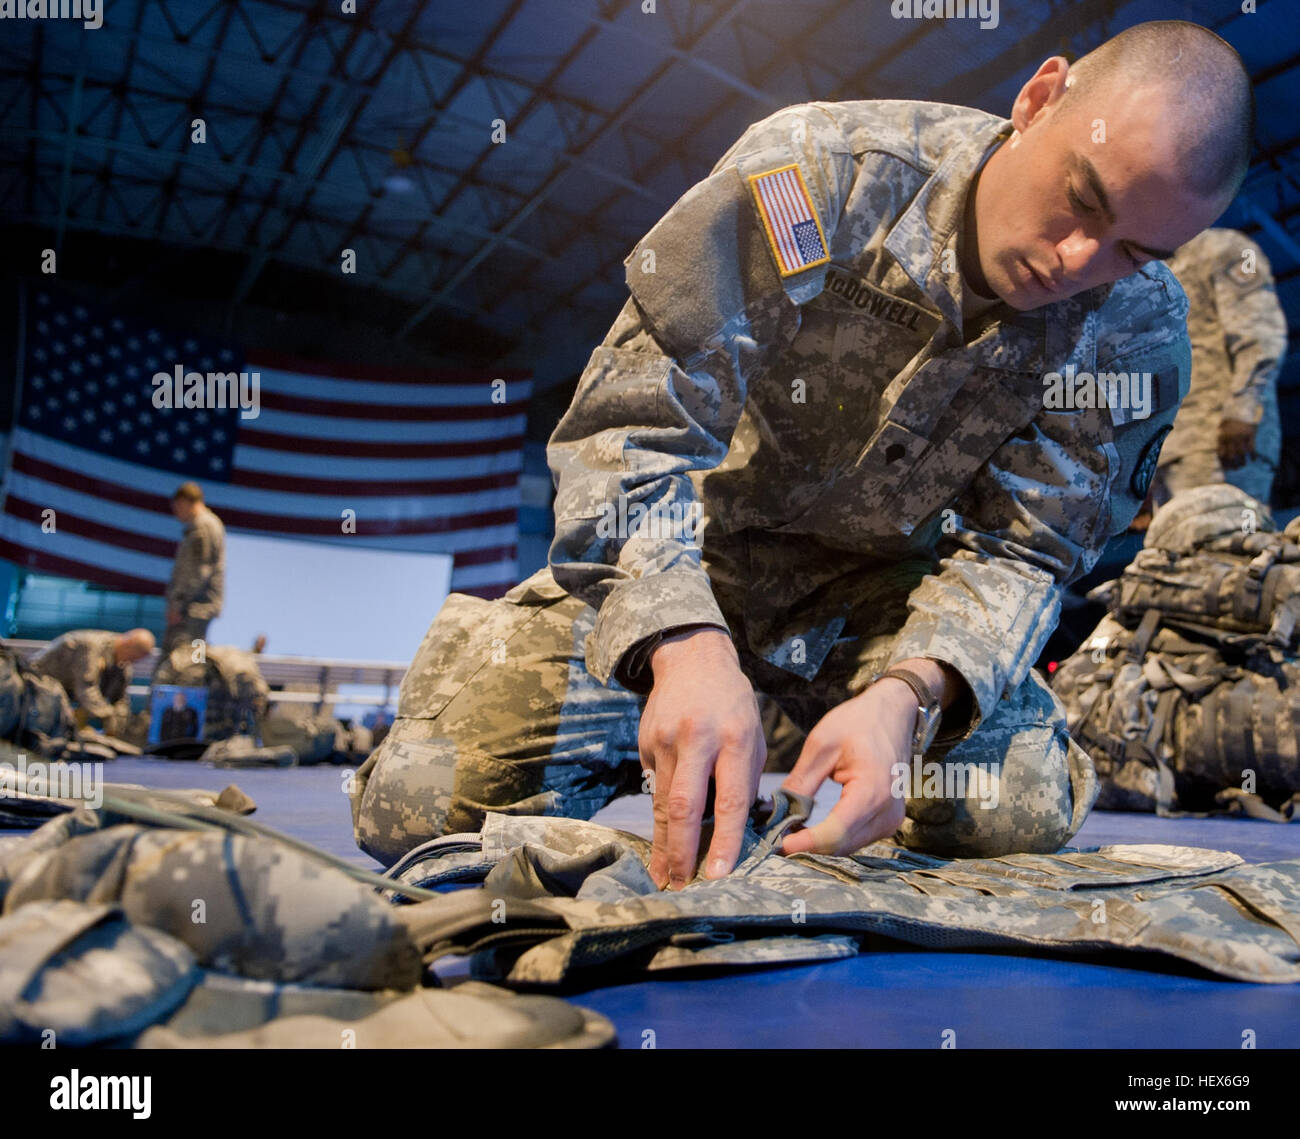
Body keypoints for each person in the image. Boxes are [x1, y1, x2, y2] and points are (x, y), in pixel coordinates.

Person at [352, 21, 1253, 887]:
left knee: (1011, 812)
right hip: (693, 559)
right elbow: (631, 424)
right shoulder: (819, 174)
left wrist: (907, 696)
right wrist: (682, 641)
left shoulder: (1136, 333)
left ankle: (801, 743)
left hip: (876, 610)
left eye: (1133, 250)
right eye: (1083, 198)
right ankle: (550, 663)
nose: (1077, 257)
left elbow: (1024, 552)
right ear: (1039, 98)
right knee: (417, 807)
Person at [1151, 228, 1288, 507]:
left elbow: (1258, 333)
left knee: (1228, 542)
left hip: (1220, 441)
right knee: (1181, 546)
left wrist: (1243, 410)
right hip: (1170, 448)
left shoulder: (1228, 248)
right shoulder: (1151, 272)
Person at [30, 628, 155, 733]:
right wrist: (108, 715)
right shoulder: (91, 647)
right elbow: (86, 689)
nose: (131, 662)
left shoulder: (123, 662)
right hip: (37, 688)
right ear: (127, 645)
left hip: (64, 692)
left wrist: (120, 725)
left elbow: (120, 699)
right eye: (132, 657)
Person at [164, 482, 226, 656]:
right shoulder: (204, 526)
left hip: (194, 610)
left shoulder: (203, 527)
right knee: (190, 657)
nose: (176, 513)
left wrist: (178, 603)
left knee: (191, 660)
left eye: (177, 507)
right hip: (194, 609)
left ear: (185, 501)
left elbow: (199, 571)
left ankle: (192, 684)